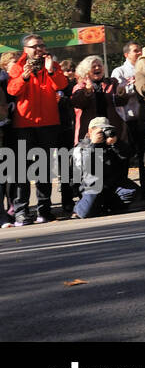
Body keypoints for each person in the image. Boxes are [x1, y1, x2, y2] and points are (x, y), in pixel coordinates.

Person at [3, 34, 68, 226]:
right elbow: (12, 91)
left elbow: (63, 85)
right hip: (24, 125)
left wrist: (50, 72)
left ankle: (44, 210)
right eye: (34, 46)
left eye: (42, 45)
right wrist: (24, 76)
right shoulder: (18, 67)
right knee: (22, 171)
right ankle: (22, 212)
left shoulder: (52, 66)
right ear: (26, 49)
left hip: (48, 124)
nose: (39, 49)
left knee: (44, 170)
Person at [72, 117, 138, 219]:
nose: (103, 134)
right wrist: (93, 145)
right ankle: (79, 208)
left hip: (112, 184)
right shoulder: (81, 147)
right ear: (90, 131)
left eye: (105, 130)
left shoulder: (110, 144)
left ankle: (105, 206)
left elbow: (129, 154)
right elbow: (83, 168)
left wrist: (116, 143)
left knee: (132, 191)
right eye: (100, 131)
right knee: (85, 213)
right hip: (91, 186)